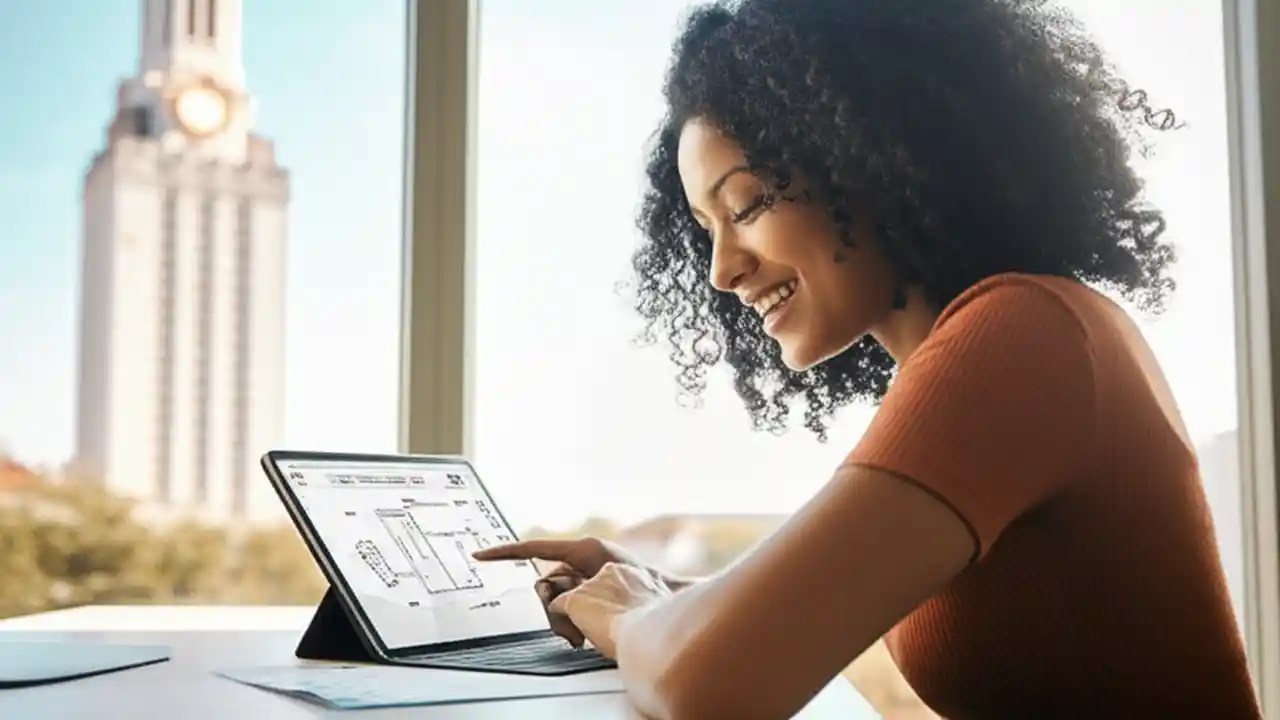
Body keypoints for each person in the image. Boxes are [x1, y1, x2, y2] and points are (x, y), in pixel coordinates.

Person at [474, 0, 1262, 717]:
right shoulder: (1004, 338)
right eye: (706, 228)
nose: (722, 271)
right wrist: (654, 589)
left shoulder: (1023, 335)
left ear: (865, 154)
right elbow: (799, 618)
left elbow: (707, 688)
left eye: (746, 204)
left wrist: (634, 618)